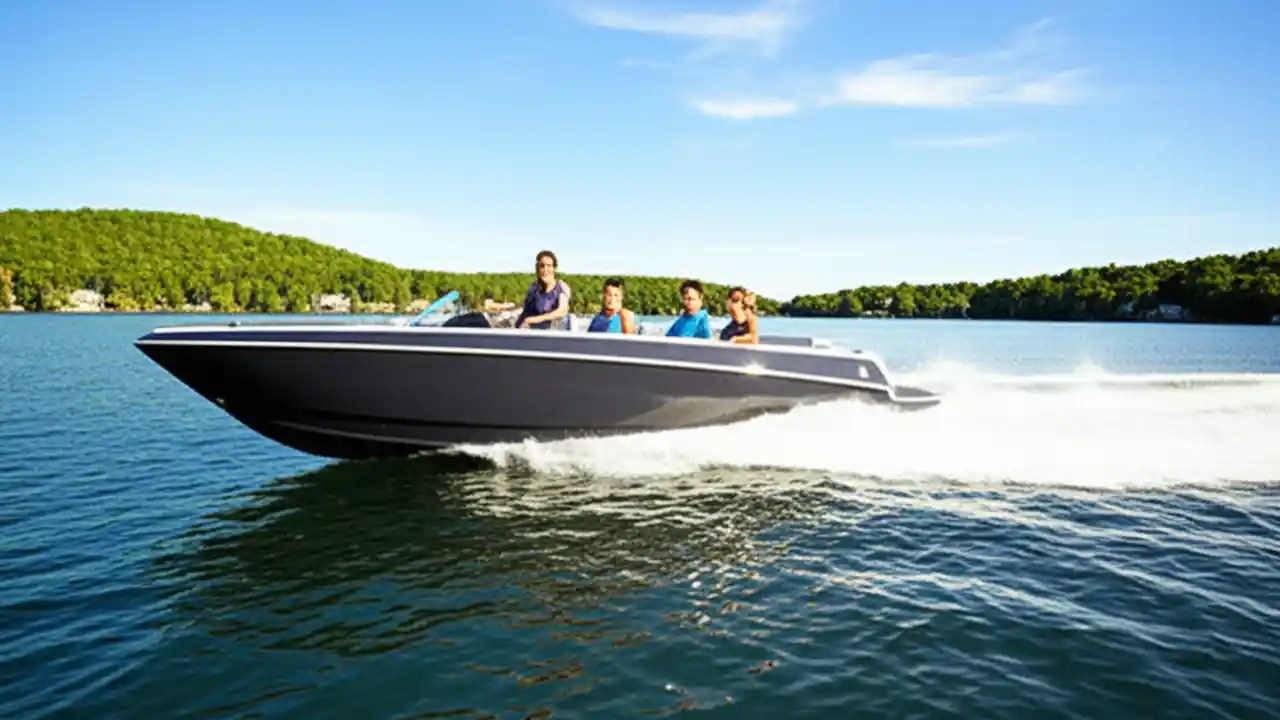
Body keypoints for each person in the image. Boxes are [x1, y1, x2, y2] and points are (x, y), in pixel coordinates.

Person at [516, 250, 572, 329]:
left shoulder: (561, 287)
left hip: (552, 334)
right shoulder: (533, 288)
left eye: (549, 266)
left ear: (554, 268)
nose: (545, 269)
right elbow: (525, 311)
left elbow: (562, 310)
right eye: (542, 266)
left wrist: (536, 319)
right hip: (530, 333)